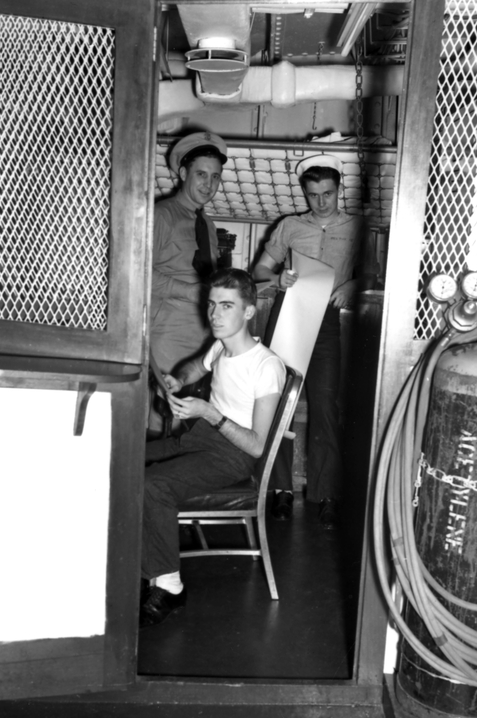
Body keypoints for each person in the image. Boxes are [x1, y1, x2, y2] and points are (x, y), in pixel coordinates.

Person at [141, 269, 286, 626]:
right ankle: (146, 565)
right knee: (122, 457)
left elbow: (256, 446)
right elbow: (196, 367)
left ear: (249, 312)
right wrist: (180, 379)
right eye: (211, 305)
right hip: (199, 440)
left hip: (231, 456)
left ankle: (170, 587)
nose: (215, 315)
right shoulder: (221, 345)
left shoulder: (266, 366)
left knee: (153, 485)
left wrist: (208, 412)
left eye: (226, 306)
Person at [252, 154, 361, 529]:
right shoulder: (290, 226)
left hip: (328, 323)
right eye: (313, 194)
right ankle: (279, 489)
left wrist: (352, 285)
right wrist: (275, 278)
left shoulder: (357, 227)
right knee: (280, 401)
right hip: (289, 316)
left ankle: (326, 494)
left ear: (339, 190)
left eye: (328, 193)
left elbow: (375, 273)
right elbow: (259, 270)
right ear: (305, 193)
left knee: (326, 407)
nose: (321, 202)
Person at [150, 131, 228, 376]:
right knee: (161, 407)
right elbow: (135, 275)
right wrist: (190, 292)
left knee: (184, 408)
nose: (209, 184)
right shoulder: (162, 215)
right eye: (201, 175)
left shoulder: (209, 226)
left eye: (215, 176)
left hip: (204, 330)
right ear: (184, 174)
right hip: (167, 331)